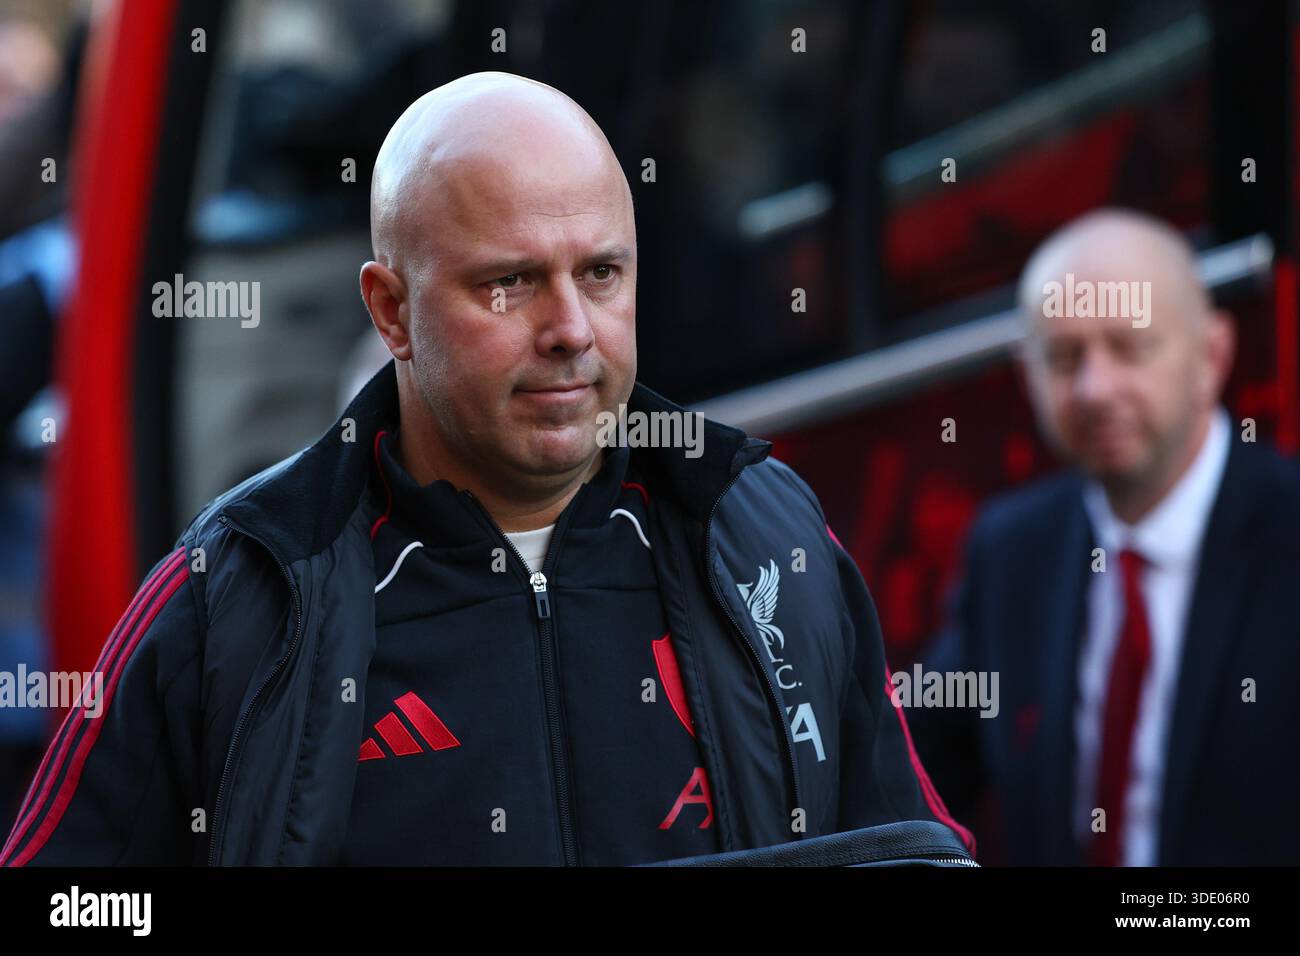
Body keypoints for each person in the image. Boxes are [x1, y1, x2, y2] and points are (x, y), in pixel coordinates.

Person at [2, 72, 972, 866]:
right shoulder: (240, 592)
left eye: (601, 272)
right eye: (508, 282)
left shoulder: (761, 531)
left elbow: (910, 850)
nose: (569, 331)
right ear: (390, 311)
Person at [912, 208, 1300, 865]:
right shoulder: (1011, 552)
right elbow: (916, 776)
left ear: (1212, 355)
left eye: (1130, 347)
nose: (1094, 389)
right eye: (1063, 358)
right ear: (1025, 371)